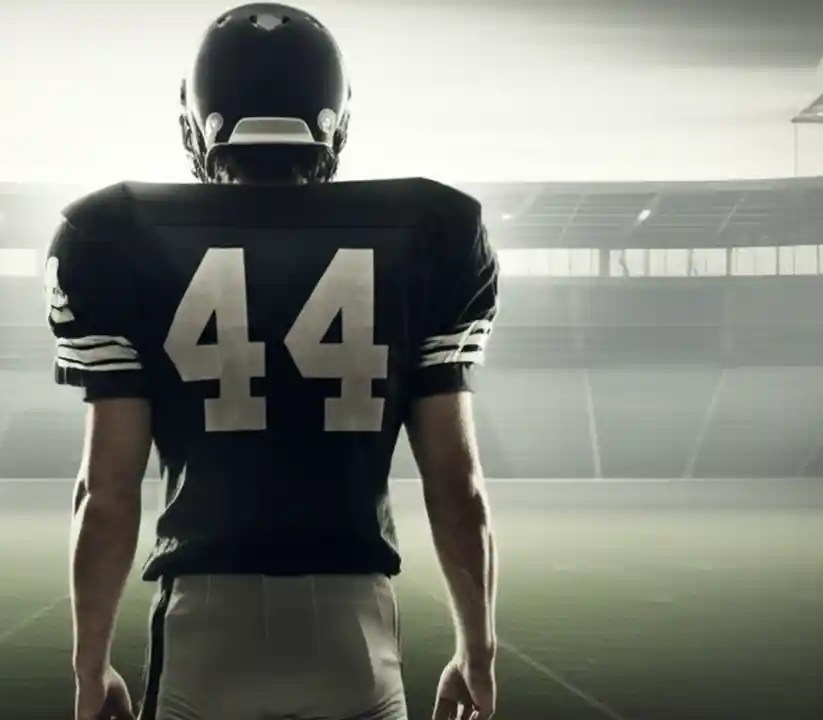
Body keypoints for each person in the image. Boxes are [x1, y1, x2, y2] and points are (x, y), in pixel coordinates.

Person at [47, 4, 500, 719]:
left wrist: (89, 668)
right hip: (354, 623)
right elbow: (457, 483)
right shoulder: (433, 230)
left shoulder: (115, 233)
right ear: (333, 121)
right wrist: (478, 652)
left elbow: (106, 493)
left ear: (201, 121)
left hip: (204, 619)